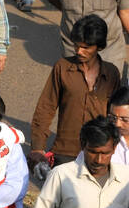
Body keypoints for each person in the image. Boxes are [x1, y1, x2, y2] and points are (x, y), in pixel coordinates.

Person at [30, 14, 120, 167]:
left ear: (99, 47)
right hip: (65, 152)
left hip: (99, 153)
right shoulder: (62, 67)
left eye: (86, 47)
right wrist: (38, 147)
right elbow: (46, 107)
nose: (79, 51)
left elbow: (118, 116)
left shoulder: (111, 73)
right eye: (76, 45)